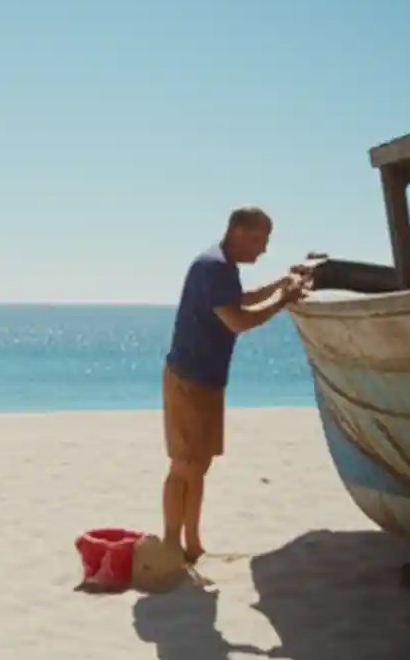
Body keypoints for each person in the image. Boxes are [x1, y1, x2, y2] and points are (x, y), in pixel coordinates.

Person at [161, 206, 310, 566]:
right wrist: (284, 300)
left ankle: (192, 545)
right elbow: (238, 321)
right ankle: (170, 544)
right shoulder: (213, 266)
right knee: (184, 465)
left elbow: (238, 299)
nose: (263, 249)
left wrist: (280, 284)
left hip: (208, 380)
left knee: (200, 465)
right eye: (259, 240)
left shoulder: (224, 268)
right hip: (188, 379)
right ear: (238, 233)